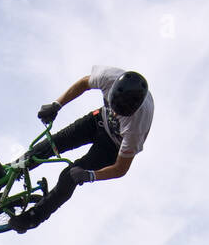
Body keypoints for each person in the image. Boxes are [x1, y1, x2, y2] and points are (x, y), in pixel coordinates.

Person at [9, 67, 153, 232]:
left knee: (69, 176)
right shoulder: (109, 77)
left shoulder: (136, 127)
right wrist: (57, 105)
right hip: (97, 121)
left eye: (120, 113)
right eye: (112, 105)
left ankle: (33, 218)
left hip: (112, 147)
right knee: (49, 145)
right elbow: (84, 83)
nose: (114, 112)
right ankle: (5, 173)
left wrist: (91, 175)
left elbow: (121, 168)